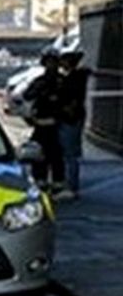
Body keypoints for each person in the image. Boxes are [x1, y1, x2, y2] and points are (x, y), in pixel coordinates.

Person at [25, 49, 63, 191]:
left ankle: (58, 182)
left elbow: (67, 101)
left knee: (56, 154)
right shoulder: (40, 81)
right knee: (38, 152)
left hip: (57, 124)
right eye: (48, 62)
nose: (51, 65)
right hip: (40, 123)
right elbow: (27, 95)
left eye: (54, 62)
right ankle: (40, 179)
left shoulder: (62, 82)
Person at [56, 48, 90, 200]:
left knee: (69, 153)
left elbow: (71, 100)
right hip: (75, 117)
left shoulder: (72, 80)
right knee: (72, 153)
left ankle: (70, 186)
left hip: (70, 119)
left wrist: (65, 110)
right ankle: (71, 185)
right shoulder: (79, 77)